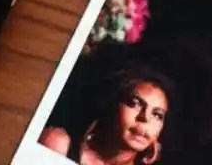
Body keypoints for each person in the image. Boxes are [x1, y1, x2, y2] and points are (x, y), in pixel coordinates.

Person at [40, 66, 177, 165]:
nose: (145, 118)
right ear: (112, 104)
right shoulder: (59, 144)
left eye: (157, 115)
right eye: (135, 104)